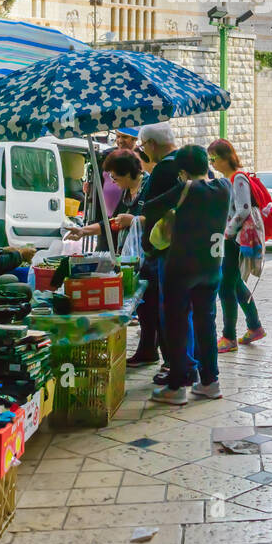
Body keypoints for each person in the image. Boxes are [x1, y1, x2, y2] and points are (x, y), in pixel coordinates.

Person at [145, 144, 230, 404]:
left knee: (177, 324)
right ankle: (210, 381)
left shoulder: (186, 188)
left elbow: (150, 207)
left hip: (182, 267)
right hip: (213, 267)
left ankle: (177, 386)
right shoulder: (224, 187)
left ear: (182, 172)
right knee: (206, 322)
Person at [126, 122, 184, 374]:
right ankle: (152, 351)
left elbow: (152, 207)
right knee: (152, 304)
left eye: (142, 145)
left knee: (161, 307)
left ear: (150, 144)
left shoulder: (165, 169)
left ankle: (170, 361)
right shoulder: (183, 164)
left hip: (162, 249)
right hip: (177, 248)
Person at [207, 138, 266, 353]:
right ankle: (254, 326)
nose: (211, 163)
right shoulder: (229, 179)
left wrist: (228, 232)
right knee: (235, 283)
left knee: (226, 286)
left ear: (225, 157)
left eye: (213, 158)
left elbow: (243, 209)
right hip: (232, 238)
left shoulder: (237, 178)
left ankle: (229, 337)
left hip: (234, 239)